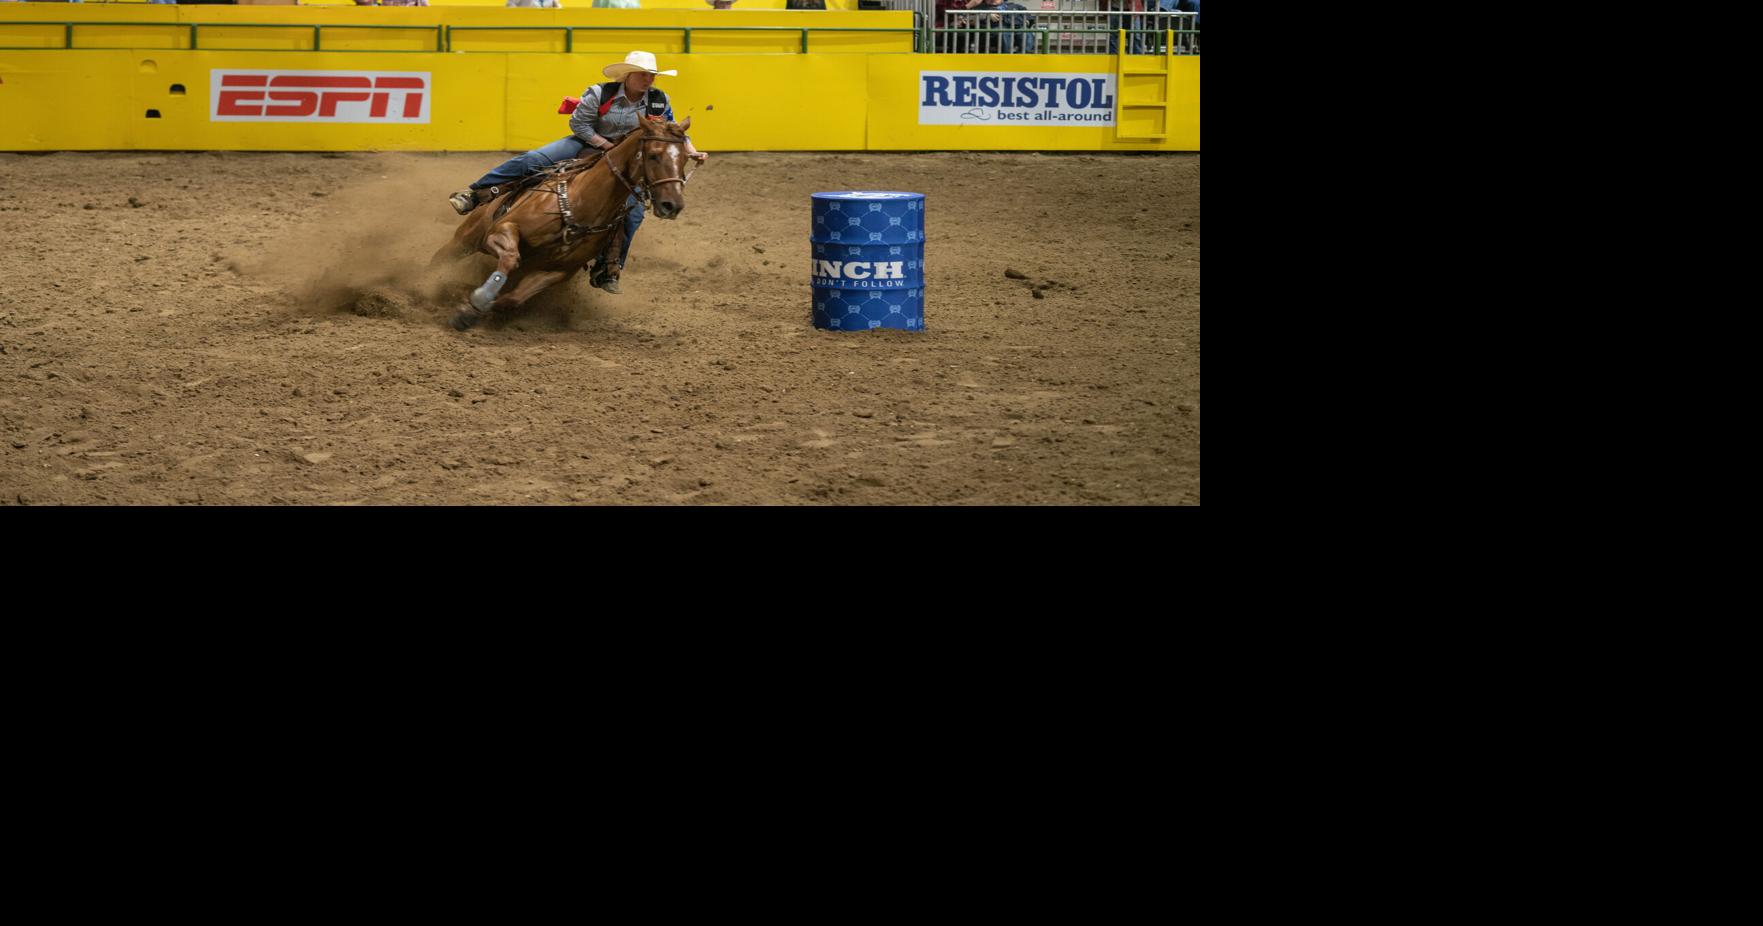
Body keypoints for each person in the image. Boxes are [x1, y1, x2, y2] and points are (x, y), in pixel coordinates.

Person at [446, 51, 706, 295]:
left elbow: (672, 131)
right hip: (588, 143)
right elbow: (579, 124)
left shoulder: (658, 100)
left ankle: (609, 267)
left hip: (625, 160)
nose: (648, 80)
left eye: (651, 75)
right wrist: (606, 146)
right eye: (643, 74)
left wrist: (692, 151)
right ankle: (475, 193)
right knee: (533, 159)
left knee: (633, 213)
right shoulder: (600, 94)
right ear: (627, 76)